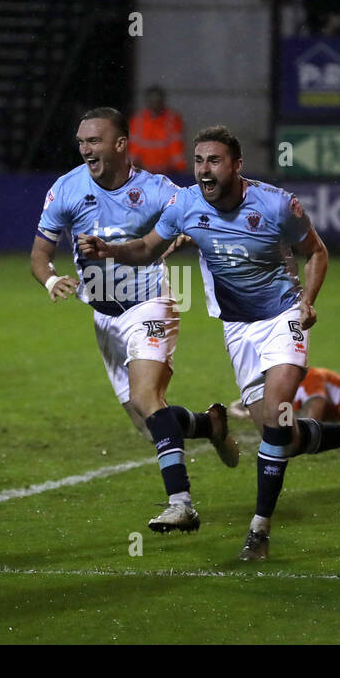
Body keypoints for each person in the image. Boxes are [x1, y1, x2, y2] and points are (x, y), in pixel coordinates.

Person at [79, 125, 340, 562]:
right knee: (277, 432)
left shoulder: (276, 204)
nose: (204, 170)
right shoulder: (185, 205)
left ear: (236, 165)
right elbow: (148, 249)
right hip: (238, 330)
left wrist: (307, 300)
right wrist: (108, 249)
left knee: (281, 409)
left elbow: (317, 251)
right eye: (198, 161)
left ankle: (259, 531)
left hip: (283, 317)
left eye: (214, 161)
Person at [32, 108, 239, 535]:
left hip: (150, 304)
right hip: (103, 317)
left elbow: (199, 215)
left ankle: (181, 504)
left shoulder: (156, 190)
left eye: (95, 141)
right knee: (150, 425)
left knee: (148, 398)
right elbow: (39, 254)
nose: (86, 149)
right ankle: (209, 423)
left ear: (121, 145)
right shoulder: (66, 189)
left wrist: (185, 234)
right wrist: (51, 279)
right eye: (82, 142)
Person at [127, 86, 186, 176]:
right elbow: (134, 150)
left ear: (162, 101)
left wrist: (179, 168)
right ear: (147, 102)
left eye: (157, 100)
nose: (155, 104)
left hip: (168, 173)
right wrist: (133, 167)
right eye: (152, 100)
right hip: (143, 173)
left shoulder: (173, 120)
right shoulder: (137, 120)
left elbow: (176, 148)